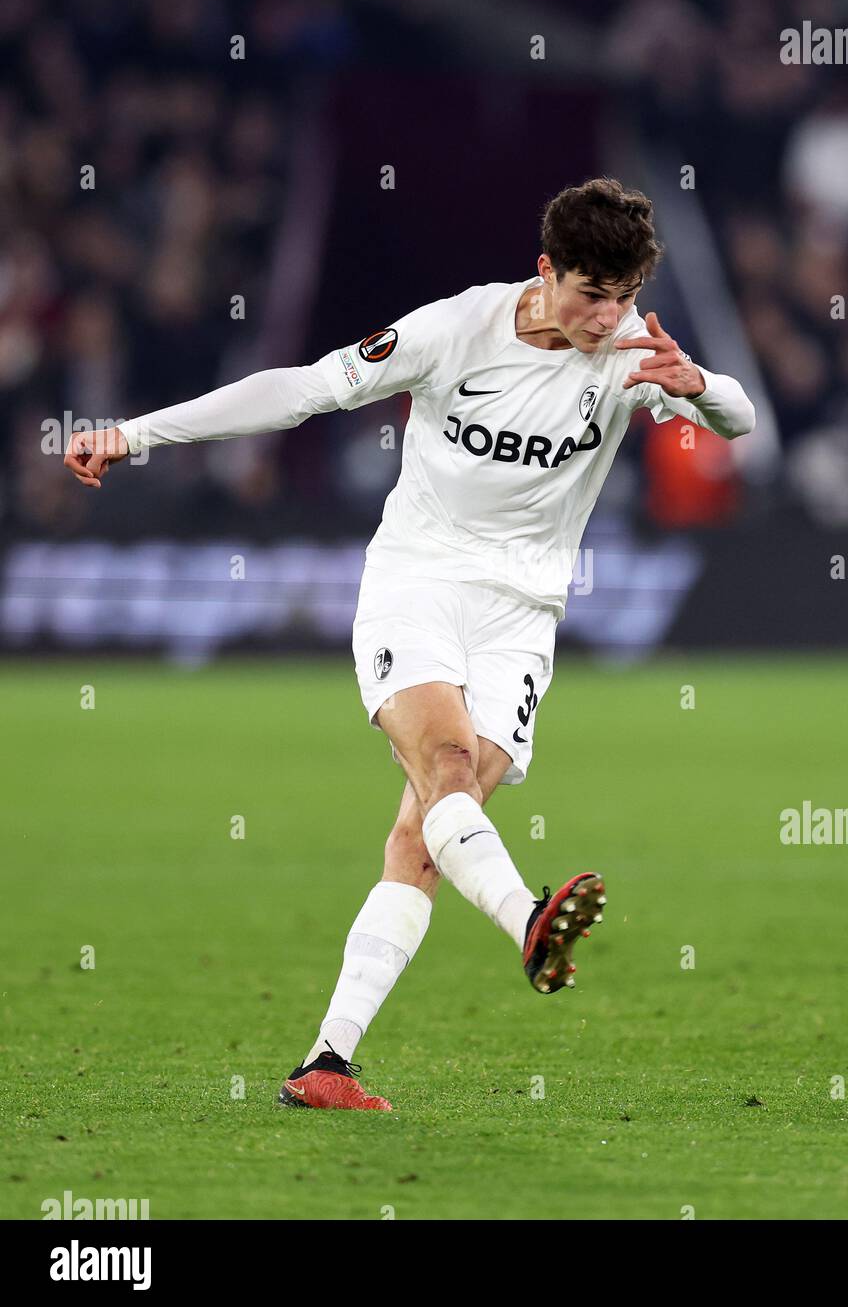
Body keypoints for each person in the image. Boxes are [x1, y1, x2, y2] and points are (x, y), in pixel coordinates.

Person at [64, 177, 755, 1111]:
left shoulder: (634, 348)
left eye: (623, 297)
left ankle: (326, 1064)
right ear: (545, 270)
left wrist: (699, 386)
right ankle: (528, 923)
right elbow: (301, 392)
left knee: (427, 833)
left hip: (524, 614)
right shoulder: (452, 331)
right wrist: (135, 434)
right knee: (446, 765)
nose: (606, 317)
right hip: (418, 583)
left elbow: (738, 422)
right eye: (590, 293)